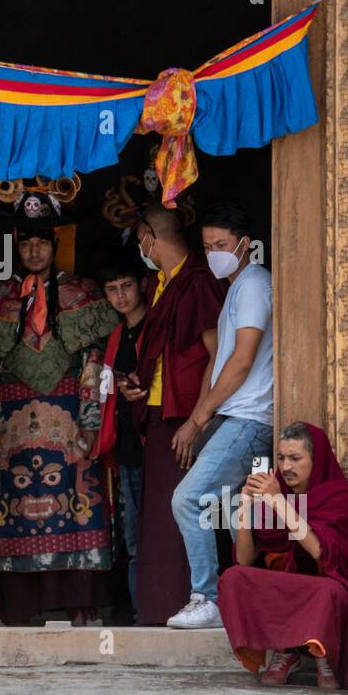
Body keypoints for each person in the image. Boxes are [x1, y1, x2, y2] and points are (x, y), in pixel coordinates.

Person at [0, 180, 115, 626]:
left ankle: (80, 604)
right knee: (14, 511)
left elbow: (96, 360)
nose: (34, 251)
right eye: (27, 242)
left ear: (57, 244)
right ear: (16, 245)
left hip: (69, 417)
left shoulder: (85, 294)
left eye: (42, 242)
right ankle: (20, 608)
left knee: (76, 503)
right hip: (11, 425)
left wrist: (91, 419)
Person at [166, 204, 275, 628]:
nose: (214, 254)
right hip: (235, 419)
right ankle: (249, 601)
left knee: (189, 498)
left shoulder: (252, 286)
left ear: (245, 245)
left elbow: (243, 360)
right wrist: (204, 416)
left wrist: (198, 419)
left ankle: (206, 597)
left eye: (222, 246)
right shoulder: (235, 287)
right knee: (234, 516)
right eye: (208, 246)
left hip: (249, 421)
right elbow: (222, 356)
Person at [218, 422, 348, 689]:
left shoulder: (339, 498)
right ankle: (285, 649)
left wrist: (278, 503)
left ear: (316, 460)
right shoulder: (277, 495)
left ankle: (324, 652)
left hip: (328, 593)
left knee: (328, 592)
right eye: (282, 458)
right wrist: (245, 510)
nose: (286, 467)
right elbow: (244, 560)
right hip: (289, 589)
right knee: (233, 577)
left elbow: (318, 550)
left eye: (295, 458)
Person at [120, 203, 225, 625]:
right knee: (160, 517)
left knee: (183, 511)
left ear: (149, 236)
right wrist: (141, 389)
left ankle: (196, 601)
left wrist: (197, 421)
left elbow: (216, 356)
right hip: (163, 413)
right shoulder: (160, 283)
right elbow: (167, 355)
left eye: (140, 238)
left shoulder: (198, 282)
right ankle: (161, 608)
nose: (139, 247)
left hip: (188, 420)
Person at [97, 254, 148, 618]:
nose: (120, 297)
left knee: (158, 529)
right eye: (112, 290)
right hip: (127, 447)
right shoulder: (116, 335)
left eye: (126, 286)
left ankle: (158, 602)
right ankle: (139, 610)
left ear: (142, 285)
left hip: (154, 445)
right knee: (132, 537)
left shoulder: (155, 326)